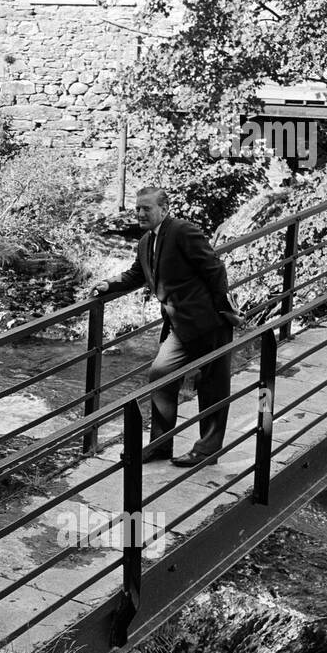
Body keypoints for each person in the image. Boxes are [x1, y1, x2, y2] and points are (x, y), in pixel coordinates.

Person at [91, 187, 240, 467]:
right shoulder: (146, 241)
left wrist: (221, 309)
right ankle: (160, 446)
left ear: (164, 208)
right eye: (137, 208)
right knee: (160, 375)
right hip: (179, 327)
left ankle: (206, 451)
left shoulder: (183, 230)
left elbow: (215, 269)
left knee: (212, 386)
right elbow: (138, 274)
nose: (140, 213)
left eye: (146, 208)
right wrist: (109, 285)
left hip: (209, 323)